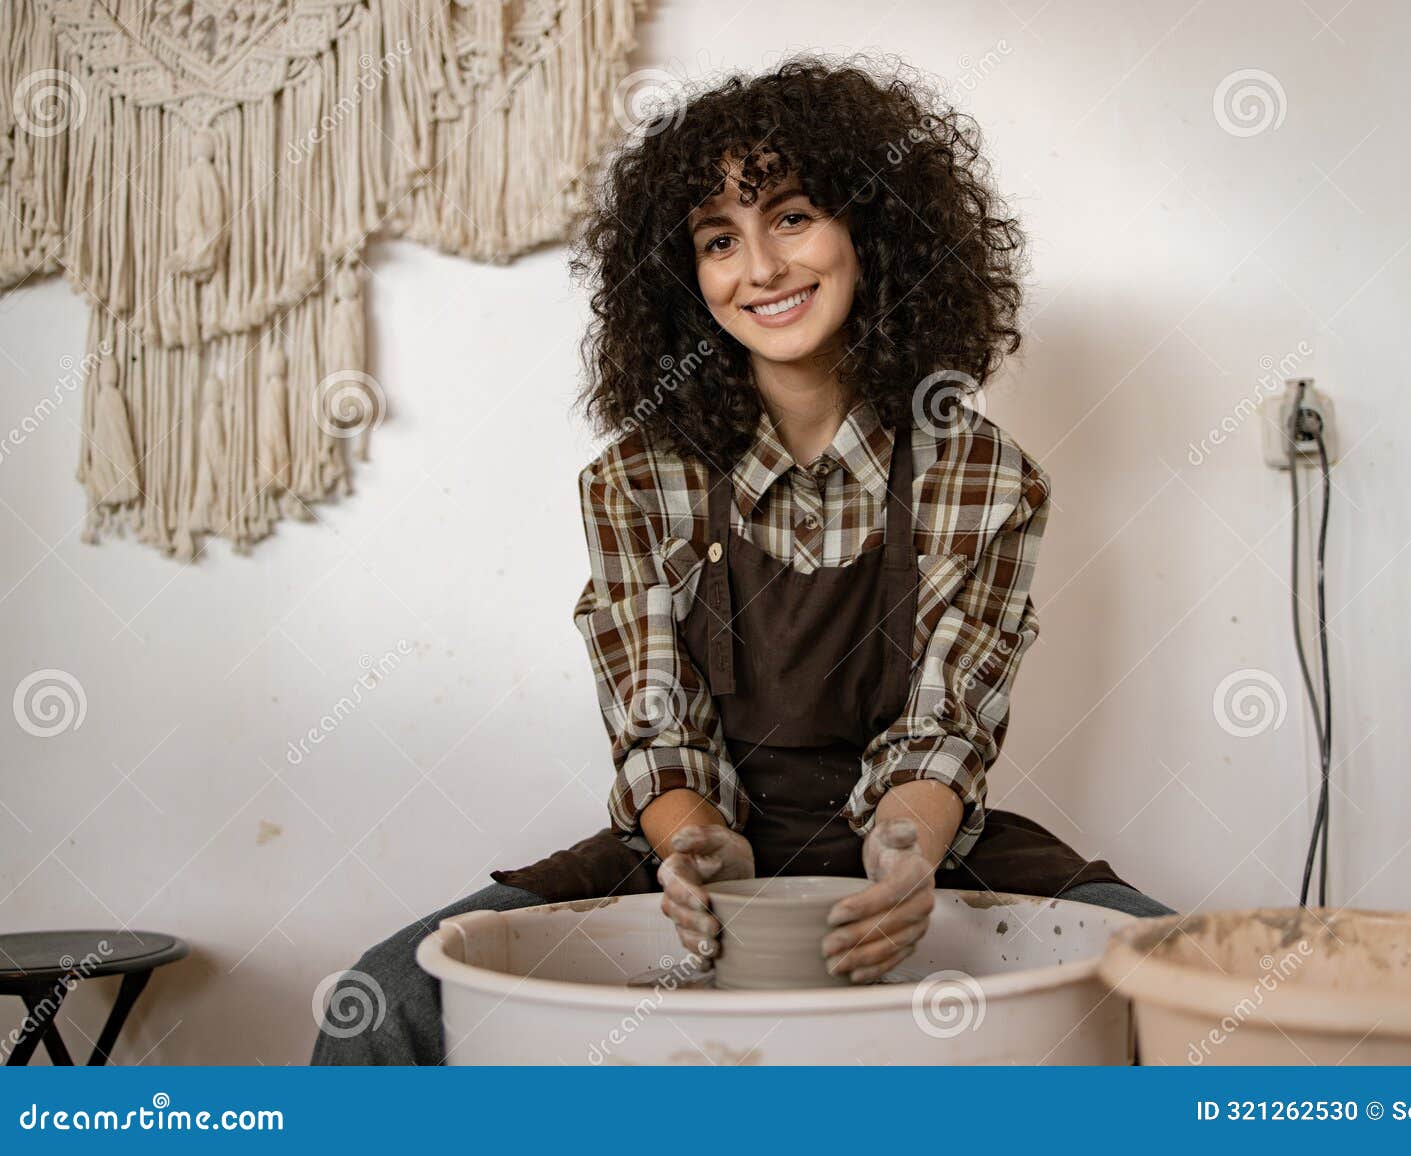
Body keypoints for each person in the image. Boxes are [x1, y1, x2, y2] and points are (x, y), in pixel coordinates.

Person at [311, 55, 1174, 1066]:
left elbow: (945, 728)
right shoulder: (636, 478)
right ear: (685, 278)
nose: (760, 268)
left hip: (921, 843)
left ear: (874, 231)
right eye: (719, 239)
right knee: (384, 998)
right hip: (696, 842)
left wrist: (906, 855)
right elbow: (655, 727)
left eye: (792, 217)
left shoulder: (981, 474)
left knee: (1198, 980)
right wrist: (694, 845)